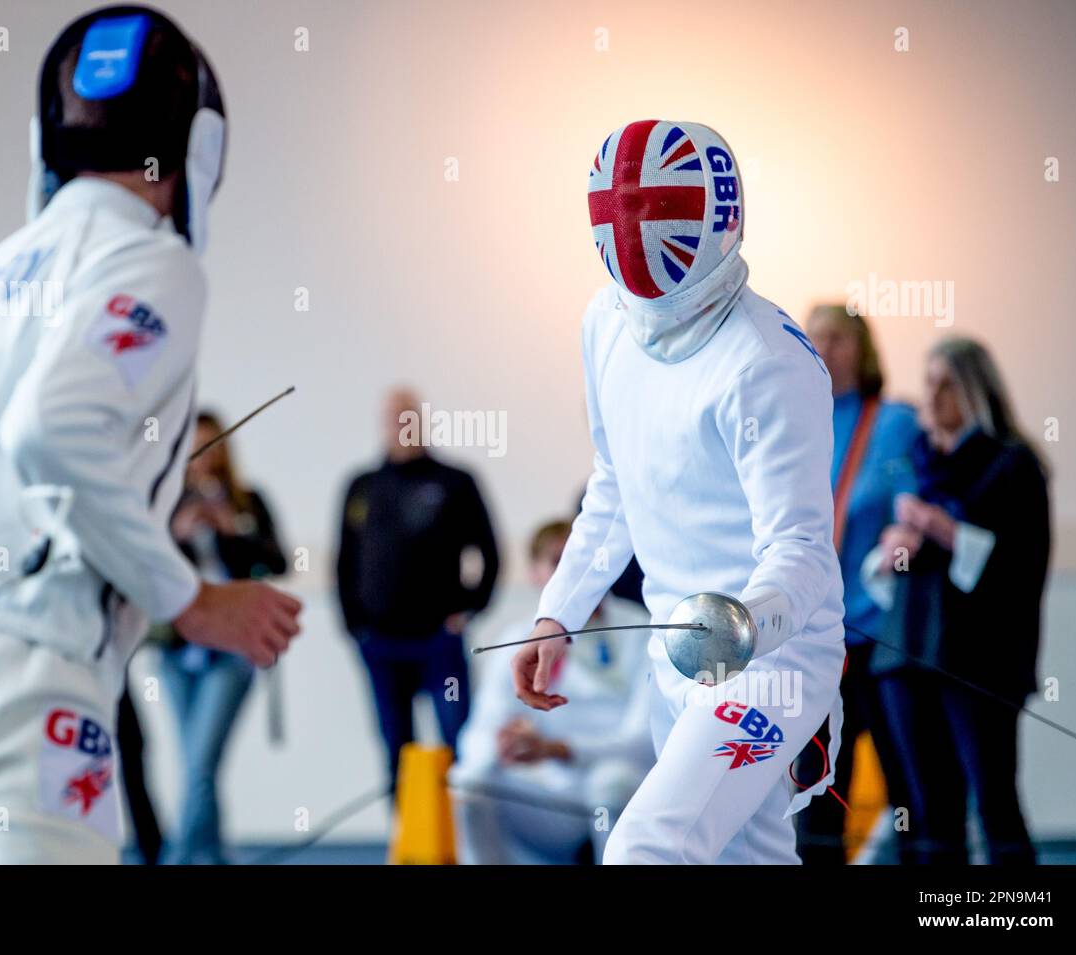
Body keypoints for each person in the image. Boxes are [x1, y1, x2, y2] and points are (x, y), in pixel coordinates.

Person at [0, 5, 301, 865]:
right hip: (14, 710)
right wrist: (191, 600)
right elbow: (52, 429)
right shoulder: (150, 259)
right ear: (198, 150)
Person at [512, 120, 845, 864]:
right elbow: (614, 486)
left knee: (646, 846)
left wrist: (743, 624)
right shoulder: (605, 323)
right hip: (676, 649)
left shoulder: (767, 363)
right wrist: (556, 612)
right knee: (744, 857)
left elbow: (801, 552)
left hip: (768, 666)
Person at [864, 337, 1049, 865]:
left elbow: (1019, 566)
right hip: (903, 653)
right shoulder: (912, 466)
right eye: (929, 382)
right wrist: (892, 550)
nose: (933, 395)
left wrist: (946, 531)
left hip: (978, 663)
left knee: (994, 801)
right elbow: (882, 570)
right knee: (926, 810)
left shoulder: (1012, 465)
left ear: (976, 391)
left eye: (947, 384)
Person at [794, 305, 920, 863]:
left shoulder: (893, 422)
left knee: (909, 788)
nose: (825, 348)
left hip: (877, 635)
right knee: (820, 791)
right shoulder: (793, 422)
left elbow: (910, 504)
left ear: (862, 349)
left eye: (839, 339)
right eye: (815, 337)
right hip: (814, 640)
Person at [450, 520, 654, 864]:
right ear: (535, 573)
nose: (573, 574)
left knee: (612, 784)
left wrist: (558, 749)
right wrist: (503, 747)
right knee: (469, 782)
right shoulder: (516, 638)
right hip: (547, 795)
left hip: (615, 783)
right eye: (558, 562)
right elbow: (481, 730)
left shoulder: (641, 628)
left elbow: (644, 740)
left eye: (580, 561)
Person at [336, 386, 500, 791]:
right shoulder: (362, 486)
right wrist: (354, 625)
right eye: (392, 417)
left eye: (407, 416)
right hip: (380, 643)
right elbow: (343, 561)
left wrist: (469, 610)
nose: (400, 425)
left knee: (458, 742)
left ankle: (465, 846)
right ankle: (408, 848)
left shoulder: (455, 481)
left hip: (439, 641)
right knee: (395, 748)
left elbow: (490, 553)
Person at [159, 411, 288, 864]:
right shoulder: (166, 504)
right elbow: (147, 571)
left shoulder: (247, 502)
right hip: (176, 654)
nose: (205, 458)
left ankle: (177, 860)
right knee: (199, 769)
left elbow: (277, 562)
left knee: (199, 767)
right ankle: (213, 858)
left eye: (213, 446)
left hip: (231, 653)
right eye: (196, 447)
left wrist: (232, 530)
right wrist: (175, 535)